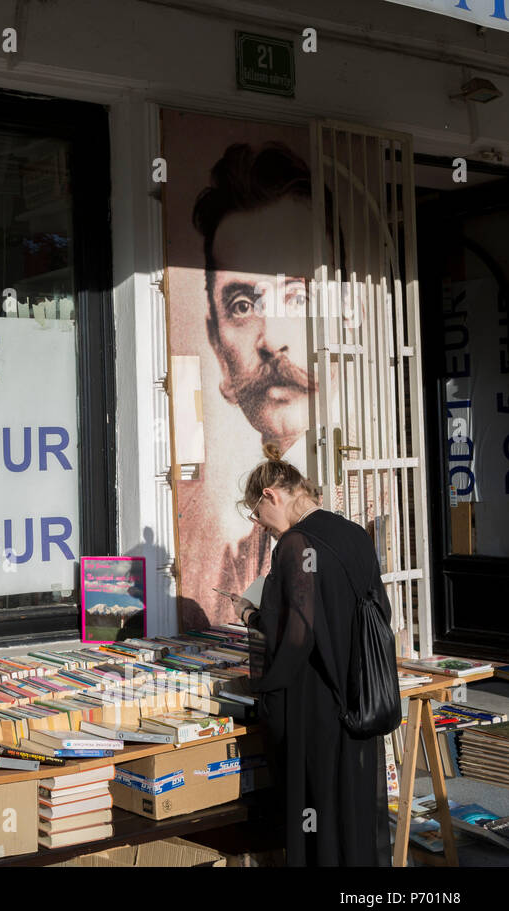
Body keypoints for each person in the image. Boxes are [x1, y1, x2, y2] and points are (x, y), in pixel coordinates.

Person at [230, 444, 391, 866]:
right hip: (358, 694)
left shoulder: (297, 544)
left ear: (271, 496)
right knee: (350, 810)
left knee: (314, 810)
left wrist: (252, 622)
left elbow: (298, 635)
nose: (262, 527)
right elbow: (377, 609)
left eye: (257, 516)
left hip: (318, 702)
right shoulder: (351, 532)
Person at [186, 141, 320, 623]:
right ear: (219, 351)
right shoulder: (238, 550)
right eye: (242, 306)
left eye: (297, 297)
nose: (272, 341)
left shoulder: (374, 507)